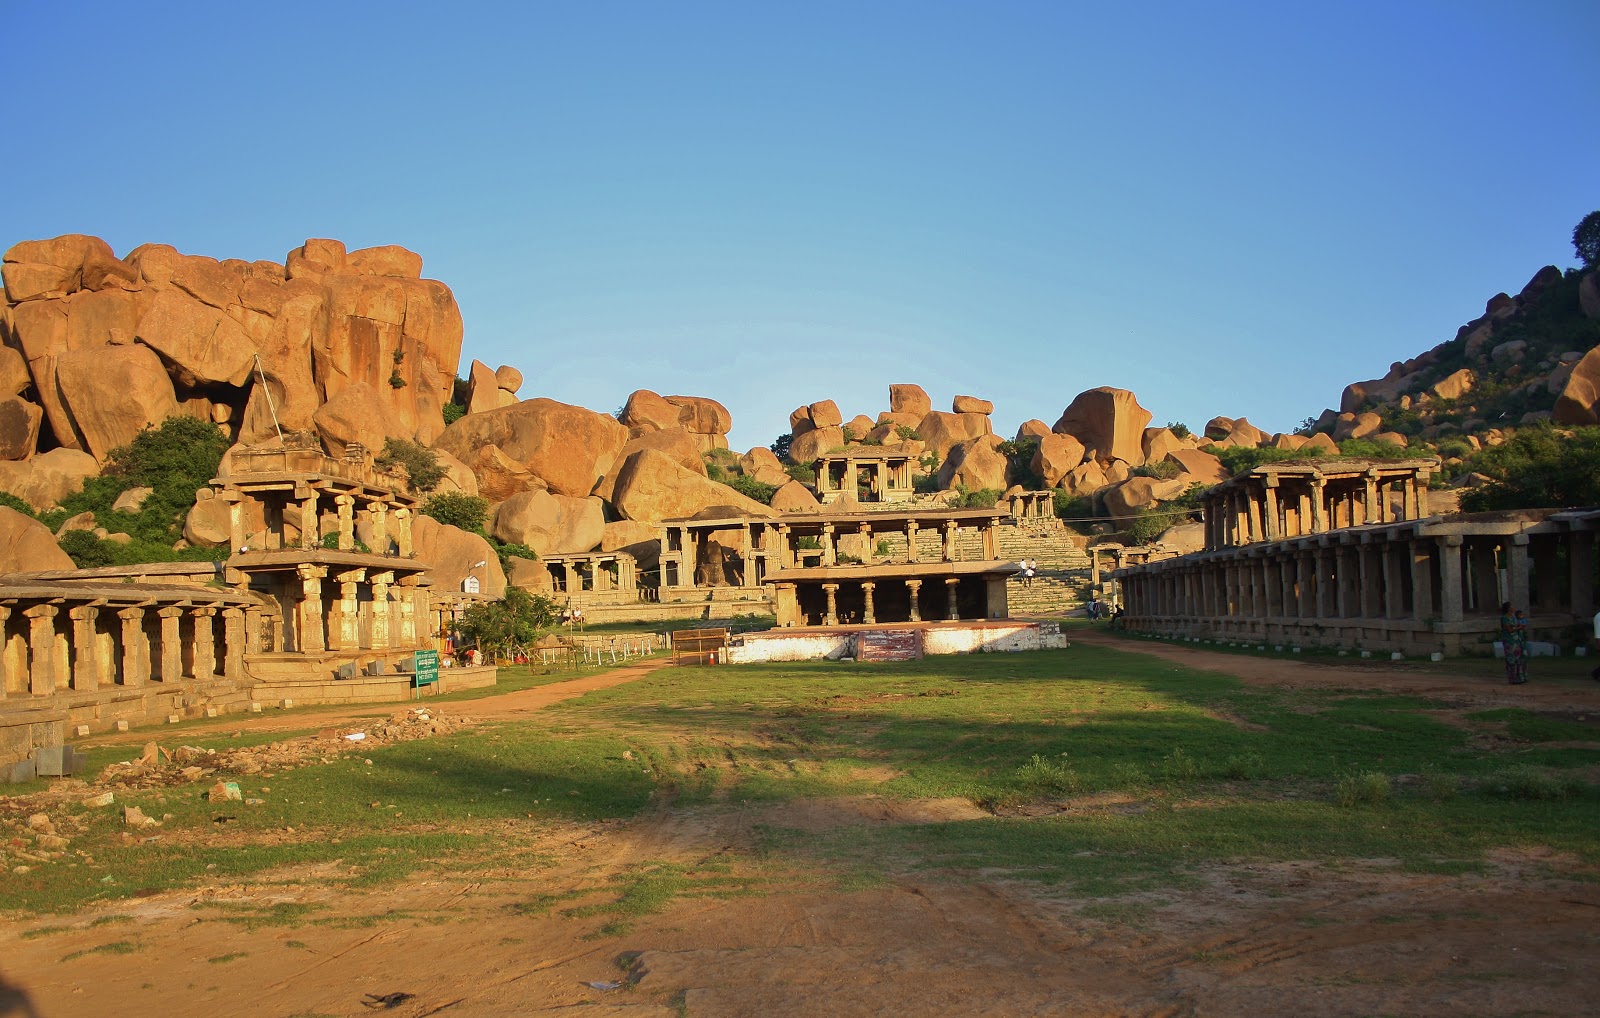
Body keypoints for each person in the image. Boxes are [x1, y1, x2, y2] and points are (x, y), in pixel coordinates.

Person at [1499, 602, 1528, 685]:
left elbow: (1518, 625)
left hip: (1517, 640)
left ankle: (1521, 677)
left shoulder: (1514, 617)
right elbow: (1509, 630)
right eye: (1512, 606)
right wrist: (1519, 627)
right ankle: (1512, 678)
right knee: (1511, 659)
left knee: (1520, 659)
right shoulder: (1504, 618)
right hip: (1510, 641)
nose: (1513, 607)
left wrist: (1522, 627)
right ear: (1508, 608)